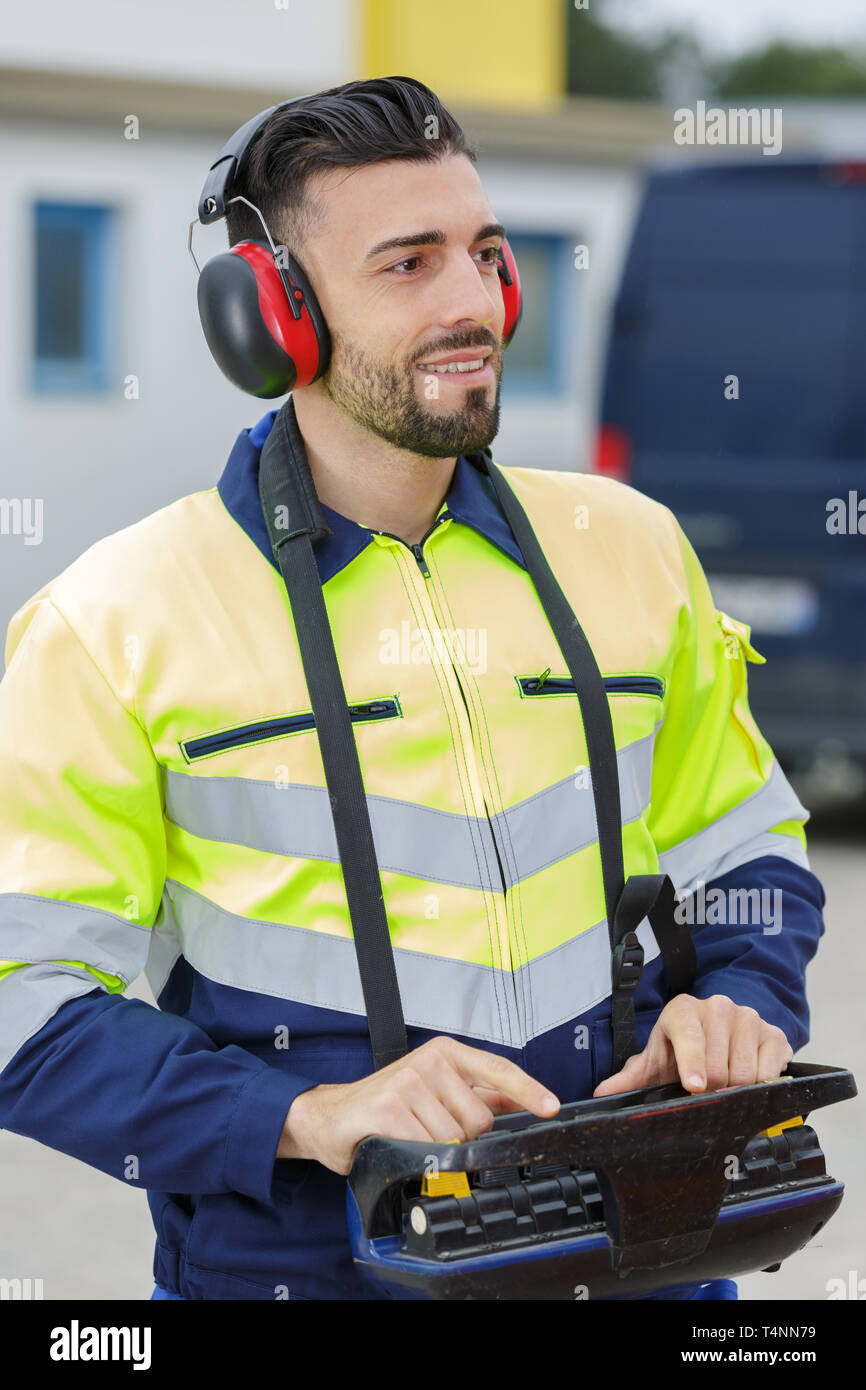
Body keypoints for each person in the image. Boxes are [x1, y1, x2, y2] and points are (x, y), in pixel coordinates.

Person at [0, 77, 822, 1303]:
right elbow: (25, 1006)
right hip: (303, 1276)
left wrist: (736, 998)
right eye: (407, 263)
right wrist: (310, 1110)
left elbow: (744, 845)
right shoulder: (116, 618)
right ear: (270, 315)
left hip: (643, 1260)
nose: (471, 304)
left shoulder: (632, 546)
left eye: (485, 254)